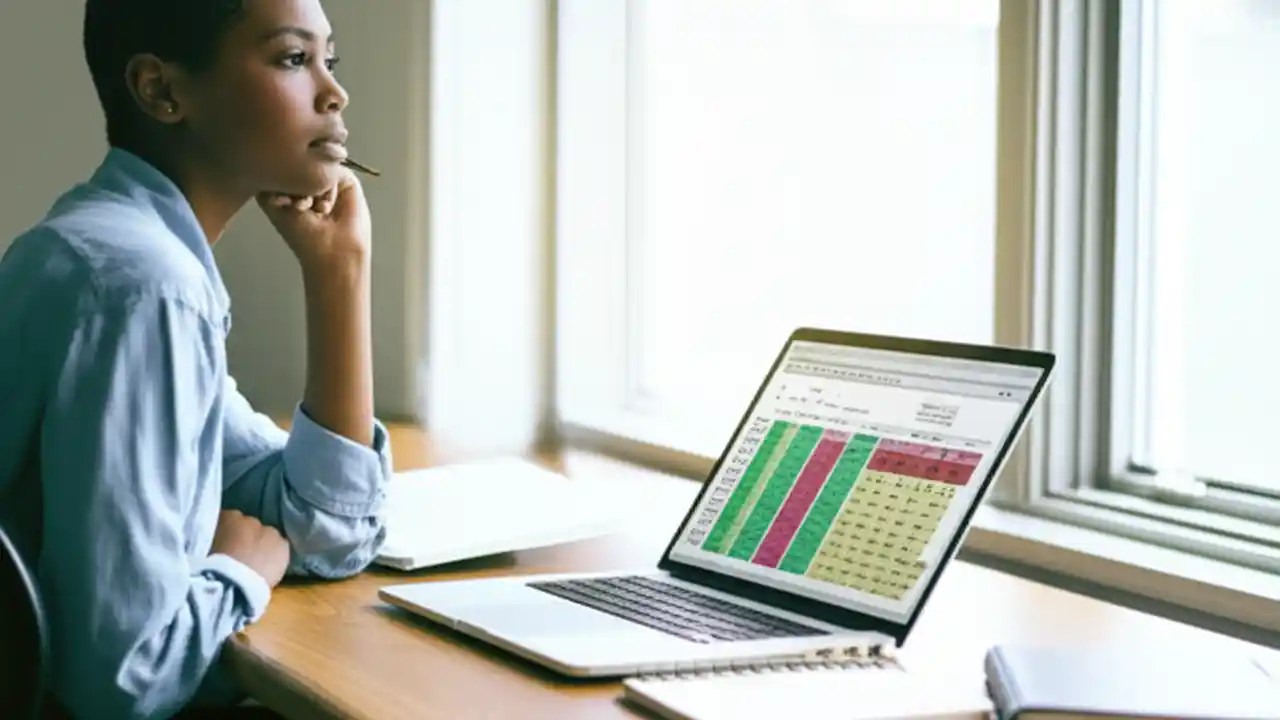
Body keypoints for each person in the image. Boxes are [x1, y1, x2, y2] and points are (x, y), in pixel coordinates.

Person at [0, 1, 391, 716]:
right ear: (161, 91)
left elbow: (323, 529)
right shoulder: (144, 288)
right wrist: (238, 571)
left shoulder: (96, 245)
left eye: (329, 61)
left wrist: (340, 278)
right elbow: (123, 682)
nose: (334, 93)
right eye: (292, 59)